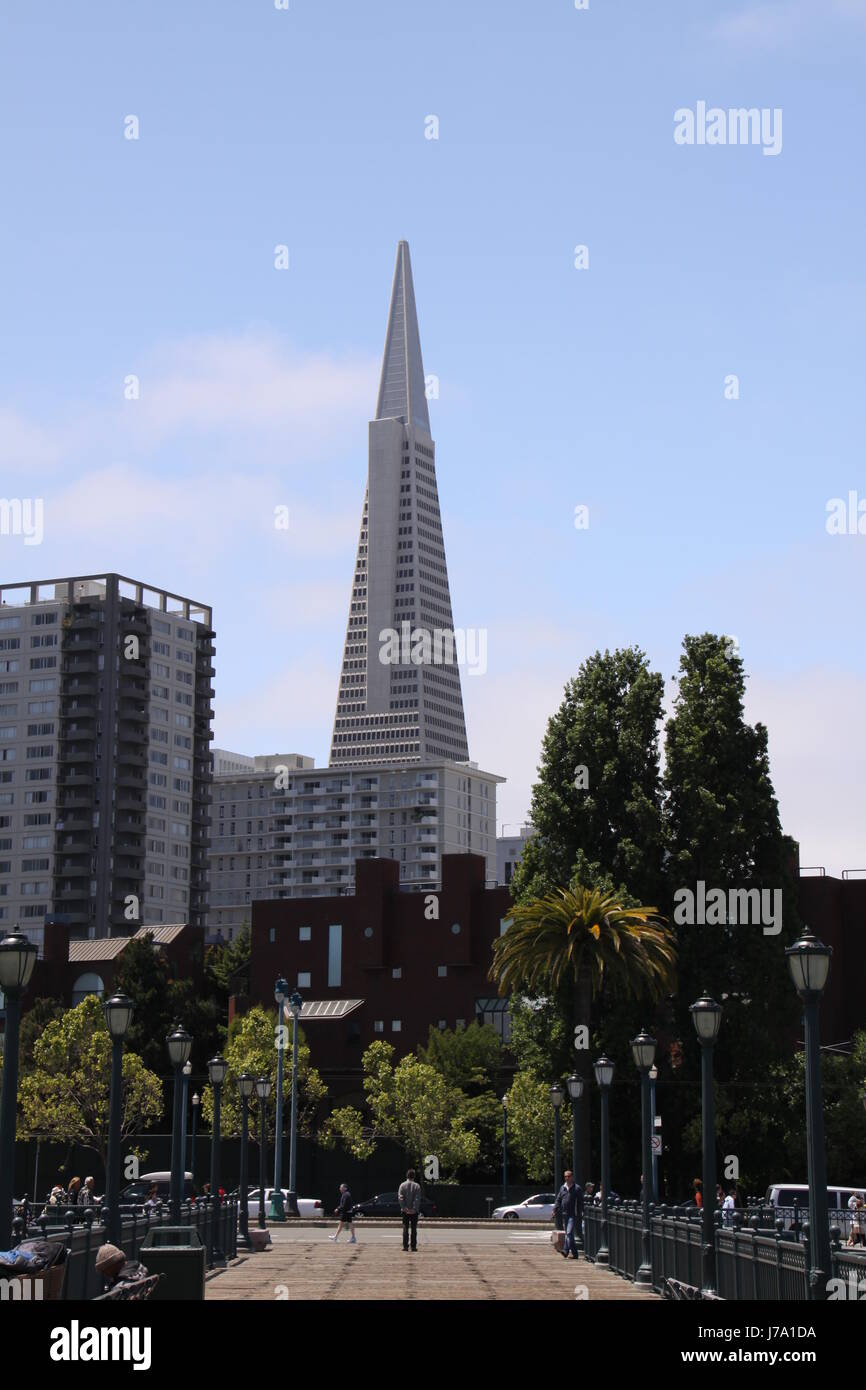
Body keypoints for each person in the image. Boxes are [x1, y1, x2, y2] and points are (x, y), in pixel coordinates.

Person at [555, 1170, 584, 1260]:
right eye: (565, 1177)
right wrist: (555, 1209)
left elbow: (580, 1202)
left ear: (572, 1177)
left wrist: (581, 1212)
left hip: (573, 1214)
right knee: (570, 1235)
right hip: (565, 1214)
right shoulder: (562, 1188)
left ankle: (566, 1250)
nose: (567, 1178)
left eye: (568, 1176)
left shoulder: (577, 1188)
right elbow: (558, 1199)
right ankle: (575, 1254)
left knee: (569, 1233)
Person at [398, 1169, 423, 1252]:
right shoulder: (417, 1186)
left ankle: (405, 1246)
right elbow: (417, 1199)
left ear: (407, 1175)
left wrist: (404, 1208)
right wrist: (414, 1209)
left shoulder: (402, 1185)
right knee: (414, 1229)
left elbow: (400, 1198)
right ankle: (413, 1246)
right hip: (414, 1212)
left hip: (405, 1211)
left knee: (405, 1228)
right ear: (414, 1176)